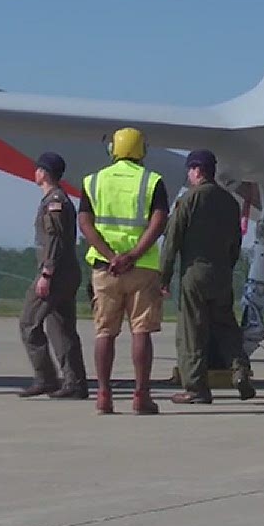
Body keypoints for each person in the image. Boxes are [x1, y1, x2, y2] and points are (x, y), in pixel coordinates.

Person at [77, 127, 170, 415]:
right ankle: (141, 396)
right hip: (141, 268)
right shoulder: (152, 181)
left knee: (104, 332)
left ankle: (103, 396)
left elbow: (84, 222)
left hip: (106, 270)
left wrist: (110, 256)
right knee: (141, 331)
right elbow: (159, 221)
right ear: (142, 150)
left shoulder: (93, 182)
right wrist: (132, 255)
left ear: (112, 150)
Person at [160, 149, 256, 404]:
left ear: (196, 170)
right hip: (222, 272)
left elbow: (172, 241)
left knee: (192, 330)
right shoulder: (230, 202)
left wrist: (164, 276)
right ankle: (240, 370)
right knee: (226, 327)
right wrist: (226, 266)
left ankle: (196, 388)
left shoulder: (189, 200)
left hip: (195, 272)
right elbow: (236, 242)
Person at [18, 151, 88, 399]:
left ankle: (46, 378)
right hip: (66, 272)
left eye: (38, 168)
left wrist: (46, 273)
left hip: (56, 273)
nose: (35, 172)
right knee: (61, 328)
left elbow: (54, 240)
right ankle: (75, 382)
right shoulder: (56, 199)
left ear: (44, 173)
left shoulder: (54, 202)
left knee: (29, 323)